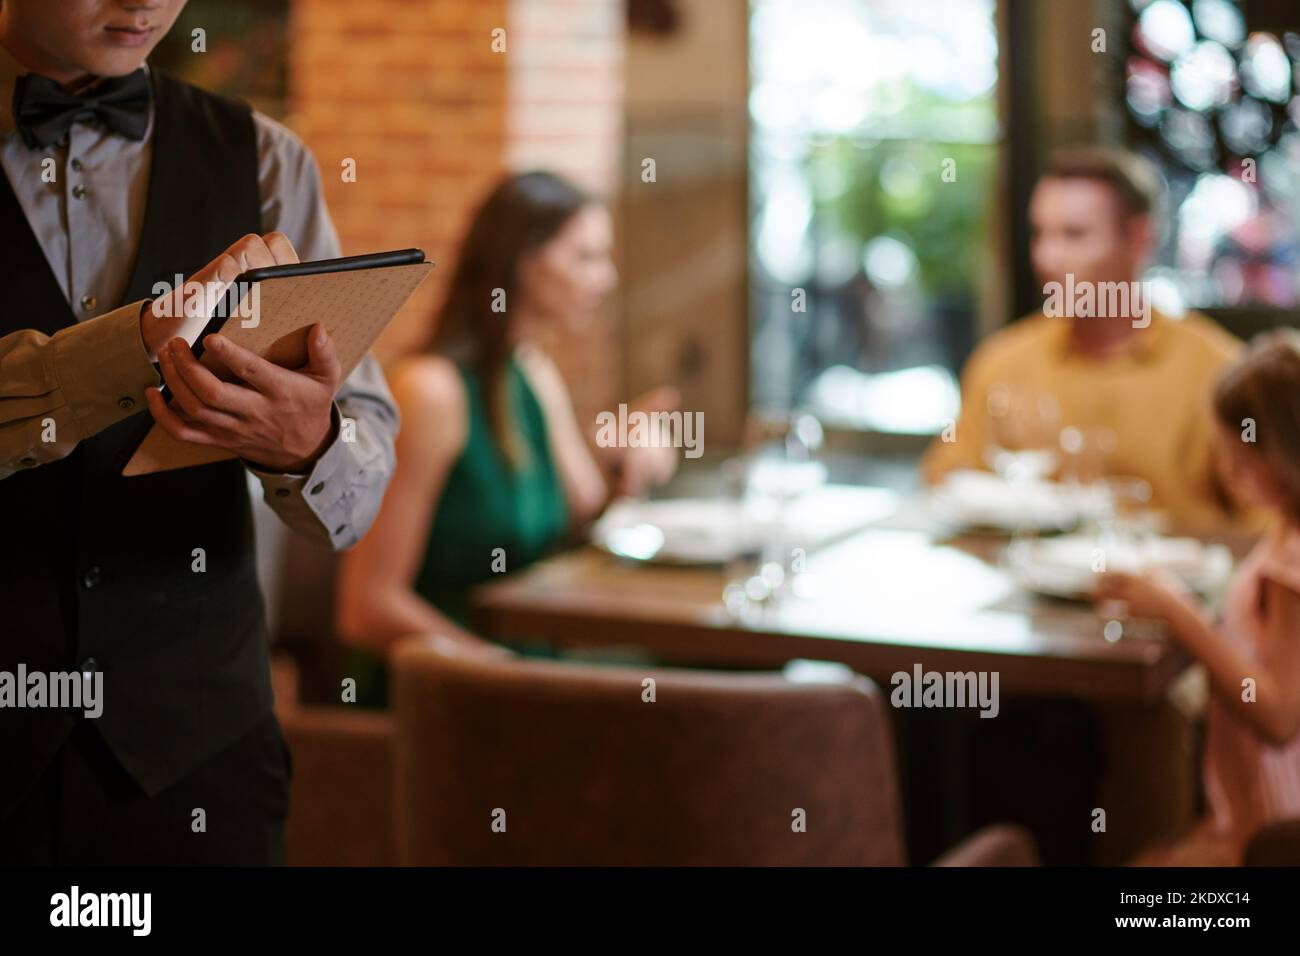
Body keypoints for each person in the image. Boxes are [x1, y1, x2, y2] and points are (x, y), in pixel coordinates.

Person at [0, 1, 397, 864]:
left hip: (199, 763)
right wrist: (131, 348)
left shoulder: (266, 159)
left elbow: (360, 483)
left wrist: (311, 446)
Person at [335, 171, 677, 707]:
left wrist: (628, 460)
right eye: (585, 257)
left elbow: (584, 520)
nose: (606, 278)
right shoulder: (430, 391)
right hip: (444, 691)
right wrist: (508, 678)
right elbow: (367, 608)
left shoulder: (532, 371)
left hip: (520, 674)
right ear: (524, 261)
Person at [921, 147, 1249, 532]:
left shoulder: (1220, 371)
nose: (1048, 256)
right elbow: (946, 485)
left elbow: (1273, 527)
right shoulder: (1003, 360)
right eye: (1040, 234)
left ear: (1138, 238)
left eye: (1073, 235)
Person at [1096, 330, 1300, 866]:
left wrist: (1178, 616)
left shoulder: (1291, 562)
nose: (1230, 473)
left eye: (1240, 456)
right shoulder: (1284, 529)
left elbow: (1278, 715)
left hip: (1274, 830)